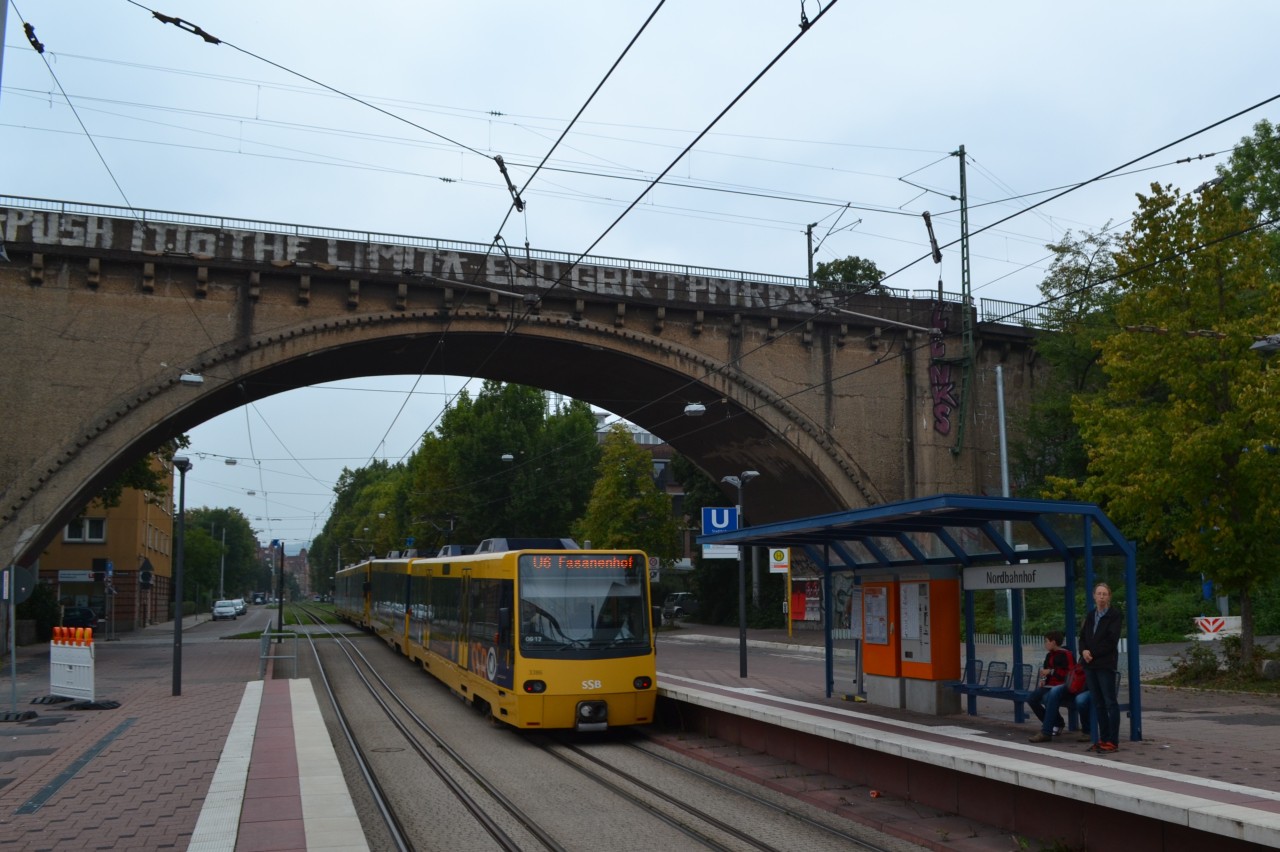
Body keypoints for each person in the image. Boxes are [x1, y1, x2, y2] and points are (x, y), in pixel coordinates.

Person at [1079, 581, 1123, 753]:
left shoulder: (1114, 615)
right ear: (1094, 596)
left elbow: (1111, 640)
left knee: (1110, 702)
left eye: (1105, 594)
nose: (1102, 597)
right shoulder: (1090, 616)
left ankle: (1113, 740)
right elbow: (1082, 638)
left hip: (1105, 664)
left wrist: (1093, 653)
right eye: (1099, 594)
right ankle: (1103, 738)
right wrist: (1083, 652)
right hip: (1090, 665)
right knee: (1098, 703)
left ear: (1109, 596)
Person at [1026, 630, 1074, 743]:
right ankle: (1054, 723)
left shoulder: (1066, 654)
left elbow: (1070, 673)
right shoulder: (1049, 655)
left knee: (1048, 698)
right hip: (1049, 685)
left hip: (1062, 686)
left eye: (1046, 641)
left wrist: (1051, 672)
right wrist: (1043, 679)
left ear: (1053, 642)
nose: (1045, 644)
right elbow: (1045, 671)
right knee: (1031, 698)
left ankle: (1051, 727)